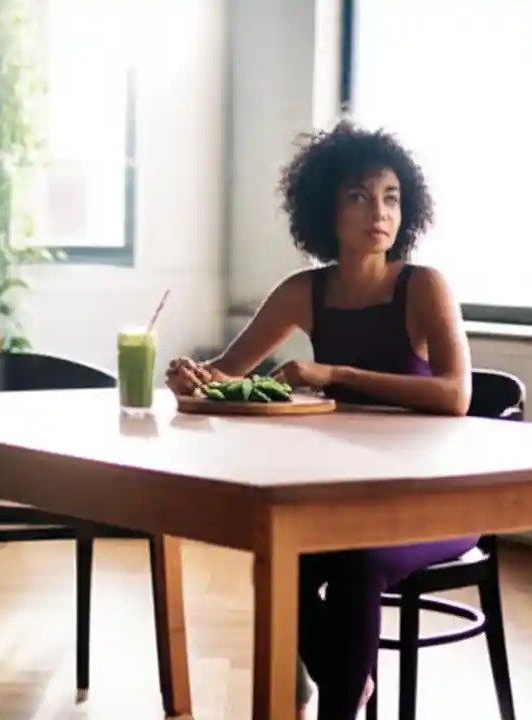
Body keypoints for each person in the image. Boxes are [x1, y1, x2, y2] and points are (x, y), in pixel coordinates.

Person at [164, 119, 478, 720]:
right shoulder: (305, 290)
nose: (378, 212)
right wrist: (192, 379)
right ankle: (345, 686)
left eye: (390, 198)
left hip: (440, 500)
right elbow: (228, 371)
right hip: (350, 498)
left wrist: (333, 373)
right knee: (287, 554)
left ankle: (339, 699)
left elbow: (456, 396)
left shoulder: (423, 287)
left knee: (356, 559)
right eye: (358, 197)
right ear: (324, 210)